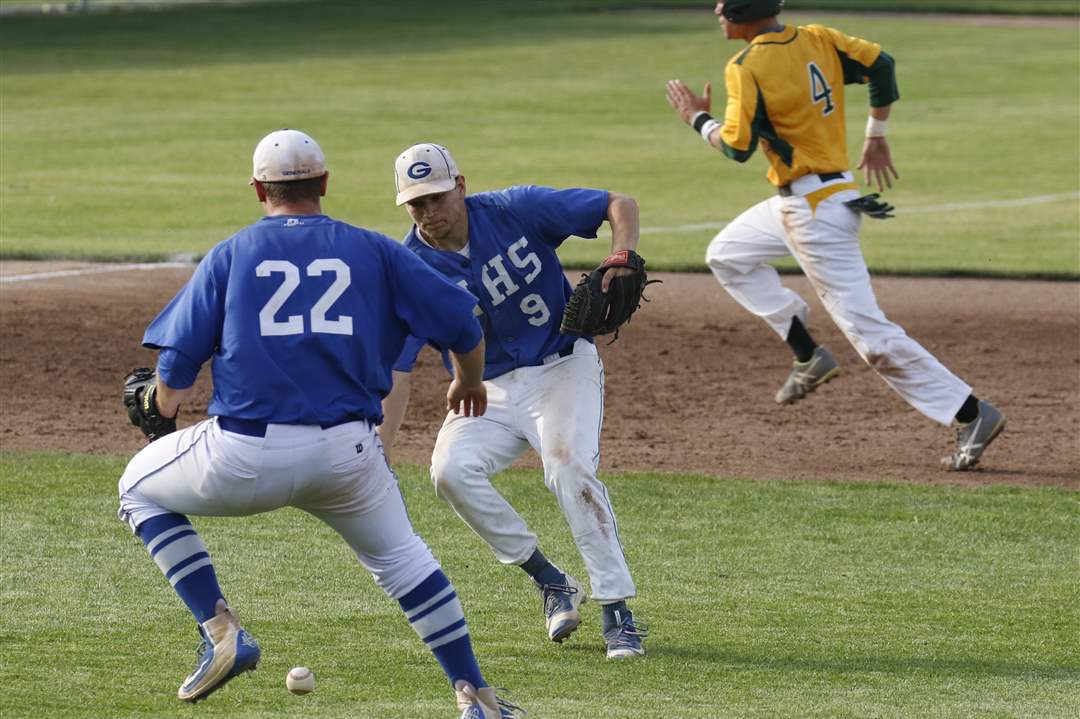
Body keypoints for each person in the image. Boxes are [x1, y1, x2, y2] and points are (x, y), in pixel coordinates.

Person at [116, 129, 521, 719]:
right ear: (324, 183)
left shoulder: (231, 254)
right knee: (406, 564)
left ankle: (222, 630)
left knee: (136, 486)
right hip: (349, 454)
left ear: (259, 190)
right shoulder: (375, 250)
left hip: (245, 456)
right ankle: (476, 697)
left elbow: (173, 388)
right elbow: (464, 324)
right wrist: (469, 380)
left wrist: (156, 403)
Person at [665, 0, 1005, 470]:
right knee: (727, 255)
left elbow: (738, 148)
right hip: (811, 199)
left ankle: (972, 413)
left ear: (744, 13)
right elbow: (881, 64)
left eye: (723, 7)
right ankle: (808, 355)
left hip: (813, 214)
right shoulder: (818, 38)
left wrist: (696, 119)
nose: (717, 13)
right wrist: (876, 132)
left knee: (870, 336)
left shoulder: (745, 65)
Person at [379, 143, 647, 660]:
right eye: (416, 204)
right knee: (450, 472)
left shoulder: (515, 208)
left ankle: (617, 609)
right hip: (486, 390)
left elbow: (619, 204)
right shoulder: (410, 269)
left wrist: (621, 255)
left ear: (461, 185)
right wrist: (381, 453)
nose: (429, 212)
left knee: (567, 466)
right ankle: (551, 581)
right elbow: (397, 369)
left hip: (562, 366)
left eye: (437, 197)